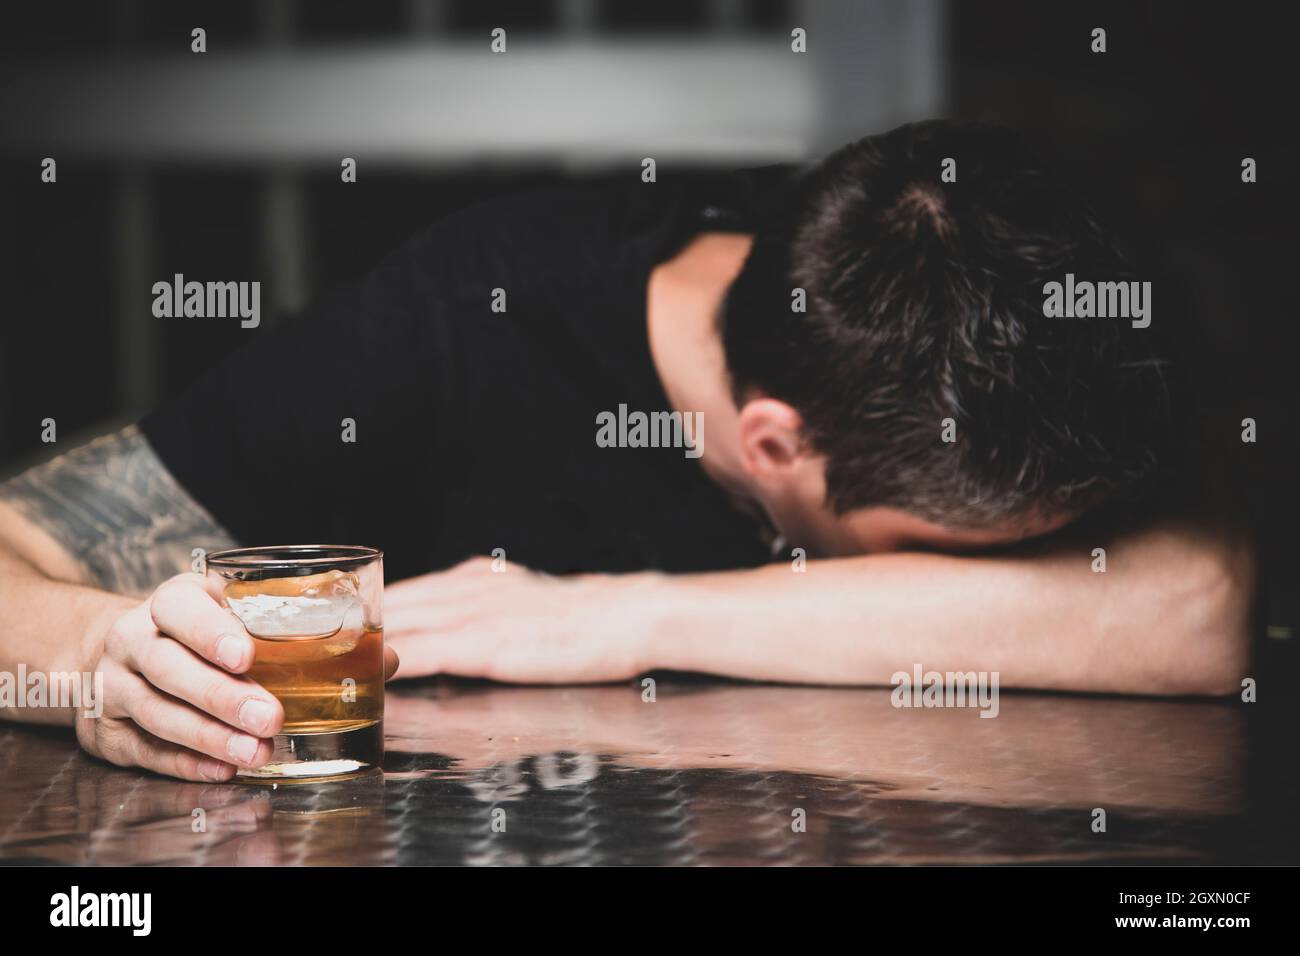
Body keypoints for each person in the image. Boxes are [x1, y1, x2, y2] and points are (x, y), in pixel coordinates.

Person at [0, 121, 1252, 782]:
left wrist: (618, 616)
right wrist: (94, 658)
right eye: (972, 559)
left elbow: (1200, 607)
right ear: (775, 445)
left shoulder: (1008, 335)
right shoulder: (463, 313)